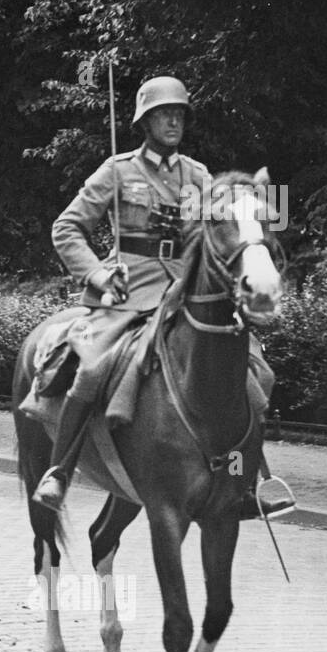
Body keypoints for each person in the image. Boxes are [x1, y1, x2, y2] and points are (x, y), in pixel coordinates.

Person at [32, 75, 295, 520]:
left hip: (182, 293)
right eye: (163, 114)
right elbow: (66, 228)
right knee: (94, 366)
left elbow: (224, 229)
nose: (172, 121)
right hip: (128, 292)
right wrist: (97, 273)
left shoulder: (198, 176)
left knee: (255, 371)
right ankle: (59, 470)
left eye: (179, 114)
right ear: (145, 121)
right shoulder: (118, 171)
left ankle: (250, 483)